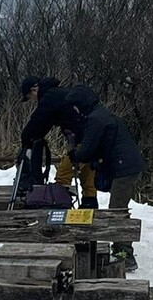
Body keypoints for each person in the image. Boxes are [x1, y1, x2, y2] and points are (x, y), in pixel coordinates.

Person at [17, 75, 97, 207]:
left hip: (83, 140)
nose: (32, 101)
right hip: (93, 137)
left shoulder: (49, 97)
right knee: (88, 176)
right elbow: (45, 124)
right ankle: (90, 207)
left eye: (29, 97)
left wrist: (26, 139)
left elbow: (38, 122)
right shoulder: (60, 93)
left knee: (63, 175)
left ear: (33, 90)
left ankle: (58, 204)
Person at [63, 85, 146, 211]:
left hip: (124, 167)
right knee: (118, 206)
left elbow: (87, 149)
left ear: (80, 104)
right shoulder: (102, 114)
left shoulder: (95, 119)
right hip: (126, 164)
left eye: (74, 106)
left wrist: (75, 155)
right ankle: (121, 227)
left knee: (116, 210)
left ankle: (120, 230)